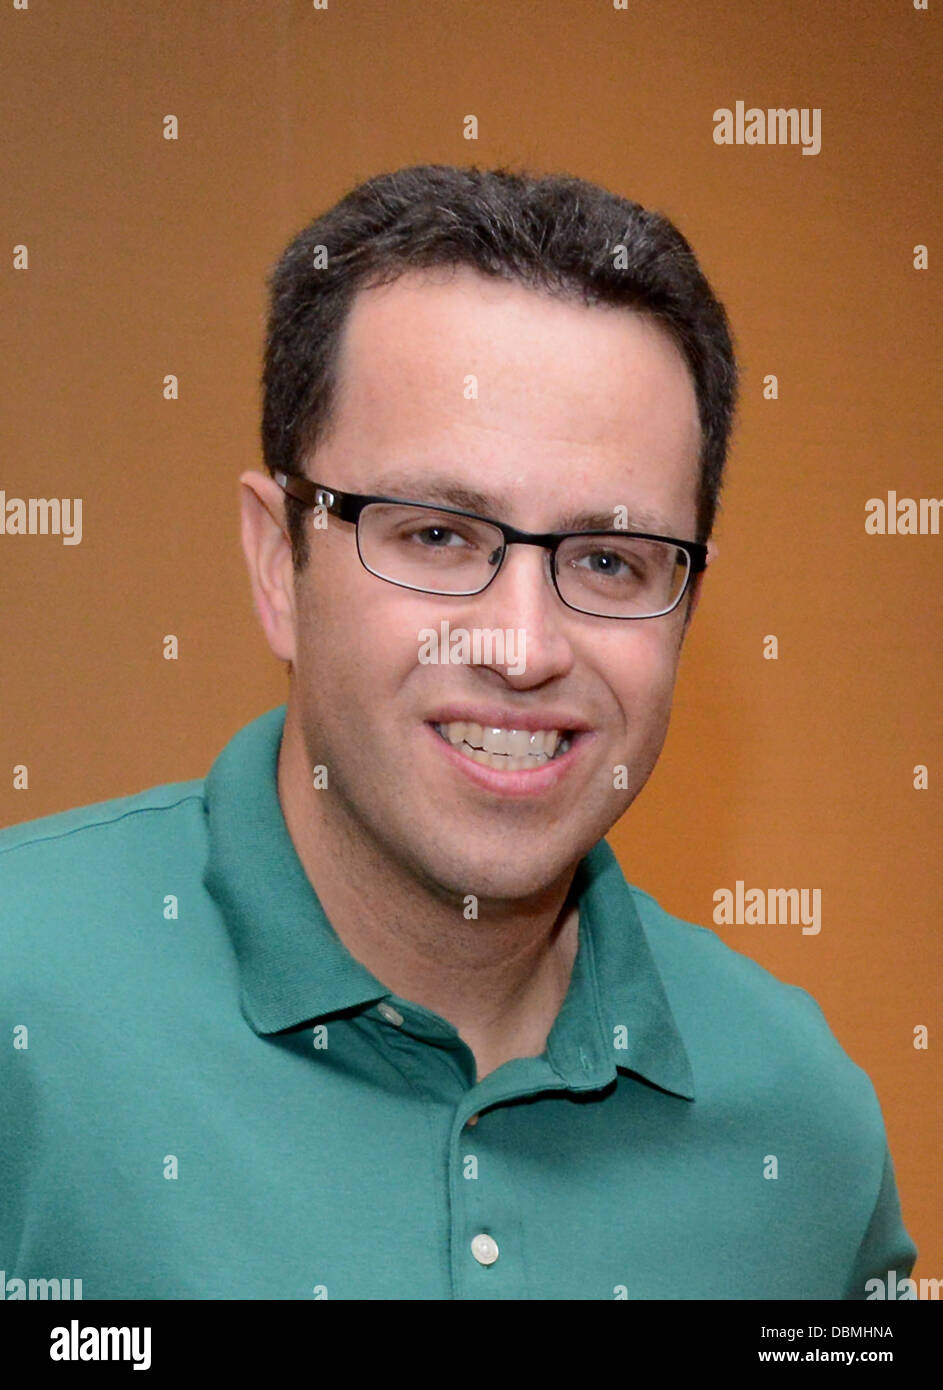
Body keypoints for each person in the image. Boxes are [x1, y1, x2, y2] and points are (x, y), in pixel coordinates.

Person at [0, 165, 916, 1300]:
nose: (523, 646)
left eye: (609, 559)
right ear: (276, 562)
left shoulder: (802, 1126)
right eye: (436, 536)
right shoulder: (22, 1005)